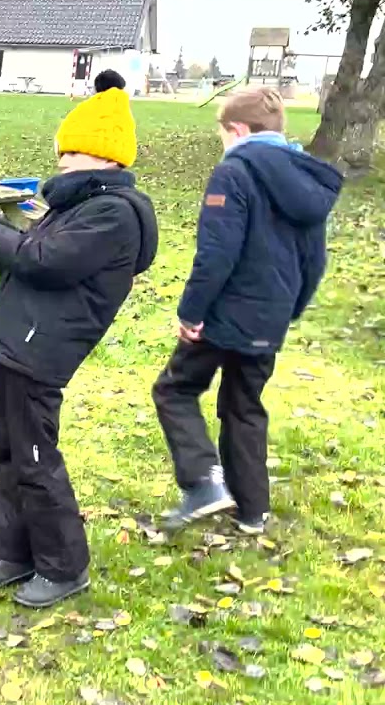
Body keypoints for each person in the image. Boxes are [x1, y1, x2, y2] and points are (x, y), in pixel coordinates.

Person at [0, 70, 159, 608]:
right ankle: (12, 553)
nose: (61, 160)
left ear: (106, 157)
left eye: (72, 152)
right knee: (9, 451)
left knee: (36, 455)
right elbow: (30, 251)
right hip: (19, 338)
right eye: (63, 151)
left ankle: (65, 567)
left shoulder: (112, 213)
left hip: (42, 349)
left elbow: (45, 262)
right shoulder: (79, 205)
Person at [152, 88, 343, 534]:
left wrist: (191, 313)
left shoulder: (234, 172)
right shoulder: (306, 179)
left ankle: (203, 482)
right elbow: (316, 259)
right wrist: (290, 309)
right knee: (244, 406)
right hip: (270, 316)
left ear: (238, 130)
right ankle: (252, 511)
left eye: (223, 134)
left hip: (225, 315)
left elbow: (217, 253)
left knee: (174, 390)